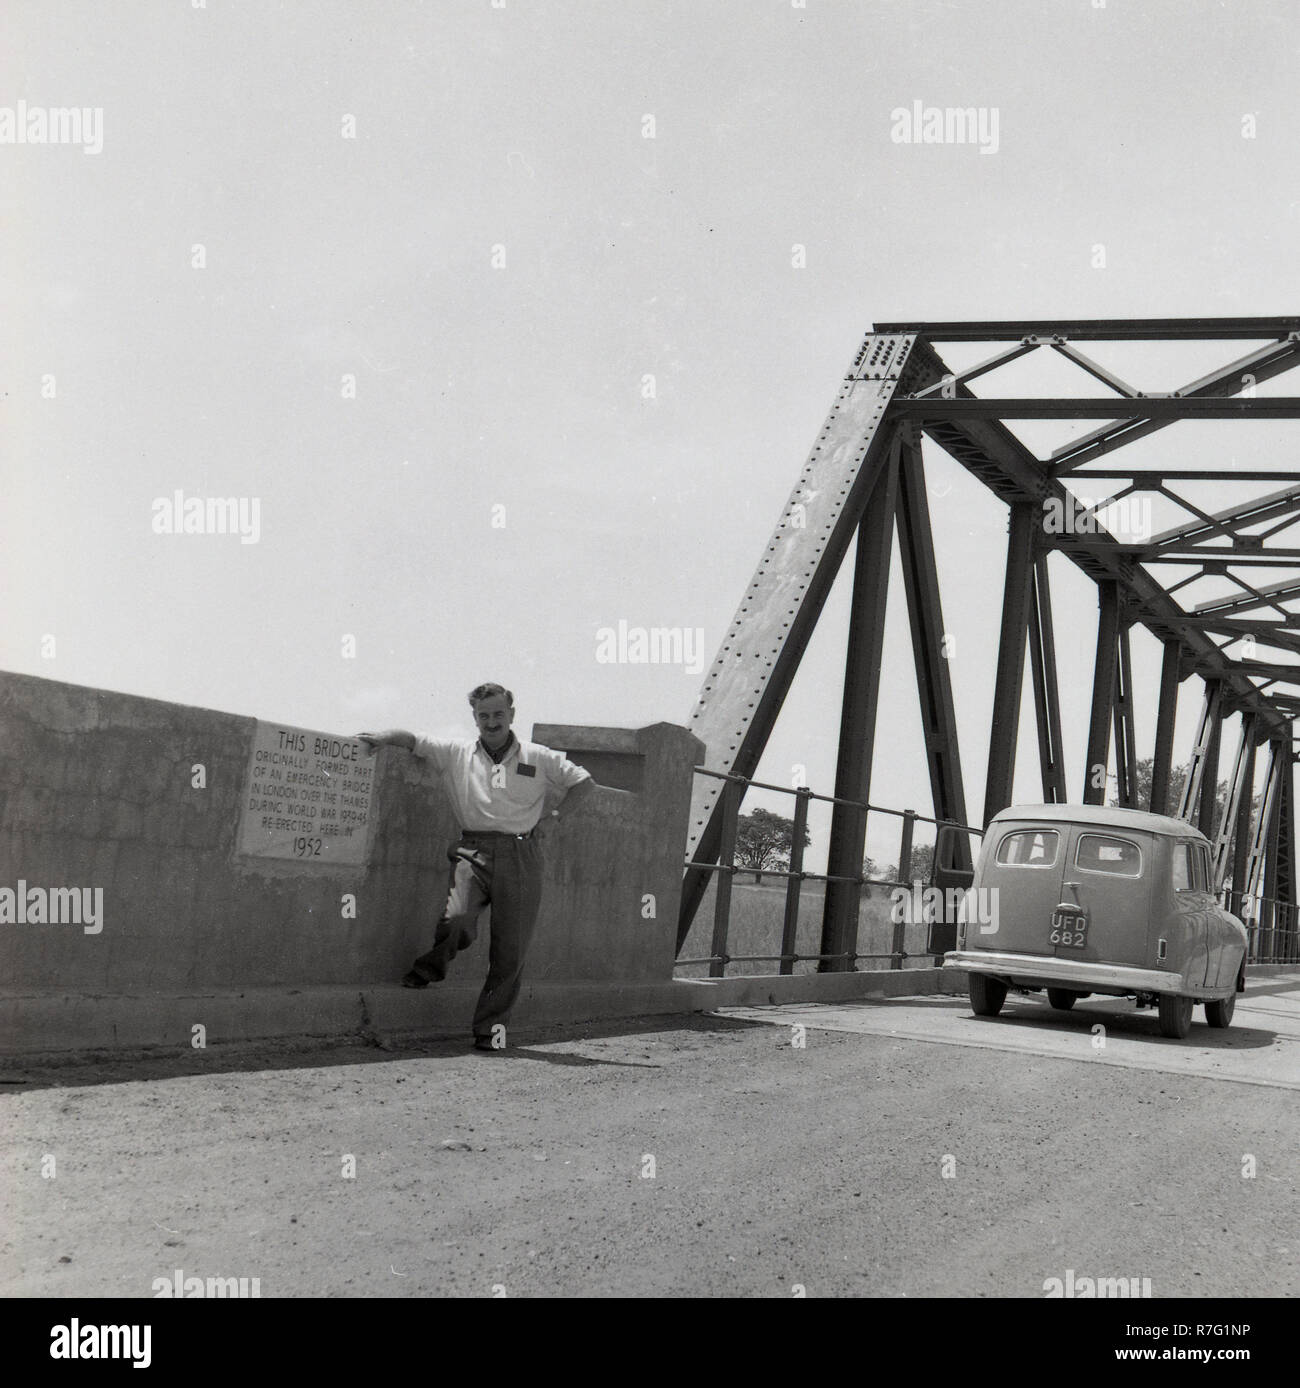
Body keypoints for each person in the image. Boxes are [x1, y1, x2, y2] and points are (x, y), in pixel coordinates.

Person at [358, 683, 604, 1052]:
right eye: (483, 715)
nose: (491, 722)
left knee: (510, 950)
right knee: (456, 918)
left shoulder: (538, 756)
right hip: (472, 851)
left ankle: (490, 1031)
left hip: (522, 856)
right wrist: (381, 737)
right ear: (474, 717)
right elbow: (412, 740)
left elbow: (584, 783)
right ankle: (431, 967)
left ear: (511, 715)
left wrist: (553, 821)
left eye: (498, 714)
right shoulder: (455, 752)